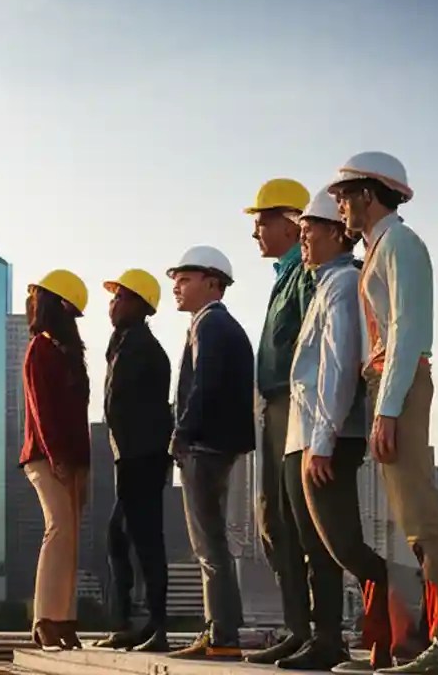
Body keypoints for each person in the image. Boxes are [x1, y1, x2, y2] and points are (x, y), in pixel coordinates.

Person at [329, 152, 438, 675]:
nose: (339, 204)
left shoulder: (402, 245)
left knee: (422, 516)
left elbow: (407, 331)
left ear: (369, 194)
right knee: (410, 519)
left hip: (400, 380)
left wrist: (387, 409)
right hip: (387, 381)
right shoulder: (378, 249)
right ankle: (430, 643)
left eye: (344, 195)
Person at [277, 187, 381, 671]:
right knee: (315, 545)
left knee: (341, 543)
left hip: (326, 438)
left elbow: (339, 368)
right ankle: (327, 639)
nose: (303, 238)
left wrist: (322, 442)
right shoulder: (325, 284)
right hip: (308, 437)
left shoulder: (343, 284)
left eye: (310, 228)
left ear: (339, 234)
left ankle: (427, 608)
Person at [163, 246, 255, 662]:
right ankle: (222, 631)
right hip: (220, 444)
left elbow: (204, 385)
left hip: (205, 446)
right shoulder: (219, 326)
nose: (176, 287)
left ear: (212, 282)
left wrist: (182, 433)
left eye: (185, 279)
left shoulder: (211, 326)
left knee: (208, 543)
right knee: (213, 541)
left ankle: (221, 634)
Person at [244, 178, 319, 666]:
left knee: (300, 519)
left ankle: (317, 630)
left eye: (262, 221)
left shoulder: (306, 276)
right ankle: (299, 627)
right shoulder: (284, 275)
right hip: (273, 407)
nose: (255, 232)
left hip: (293, 405)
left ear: (292, 222)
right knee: (273, 521)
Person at [93, 269, 173, 653]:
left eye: (121, 297)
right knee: (119, 537)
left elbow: (140, 410)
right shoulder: (122, 343)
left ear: (141, 306)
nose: (114, 304)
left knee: (145, 542)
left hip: (143, 458)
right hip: (129, 457)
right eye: (114, 297)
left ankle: (155, 626)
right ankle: (127, 622)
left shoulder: (143, 347)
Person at [19, 269, 92, 651]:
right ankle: (44, 618)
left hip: (74, 458)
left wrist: (83, 463)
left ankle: (64, 619)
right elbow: (41, 410)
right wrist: (56, 456)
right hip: (47, 458)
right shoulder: (40, 350)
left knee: (71, 538)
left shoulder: (67, 354)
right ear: (58, 305)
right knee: (59, 529)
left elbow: (78, 415)